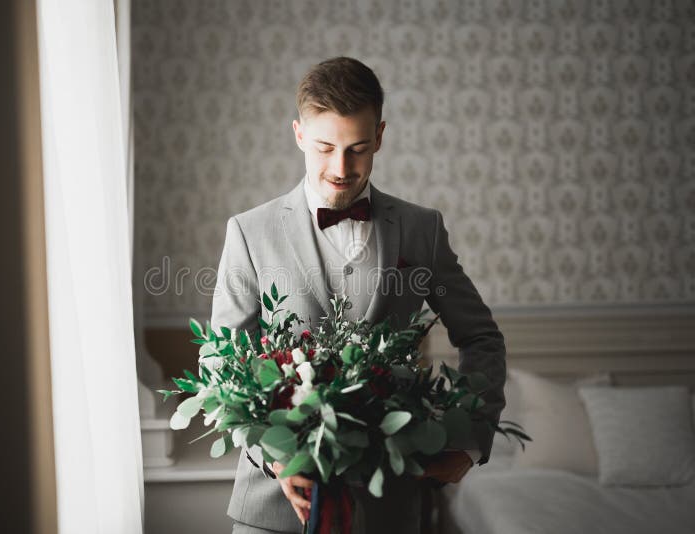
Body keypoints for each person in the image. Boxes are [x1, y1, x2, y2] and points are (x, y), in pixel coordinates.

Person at [210, 57, 506, 534]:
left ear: (381, 137)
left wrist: (469, 441)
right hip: (272, 511)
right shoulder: (249, 232)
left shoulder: (421, 230)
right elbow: (224, 364)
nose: (340, 168)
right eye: (325, 147)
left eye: (358, 149)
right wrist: (275, 459)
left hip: (389, 507)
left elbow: (481, 337)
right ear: (299, 134)